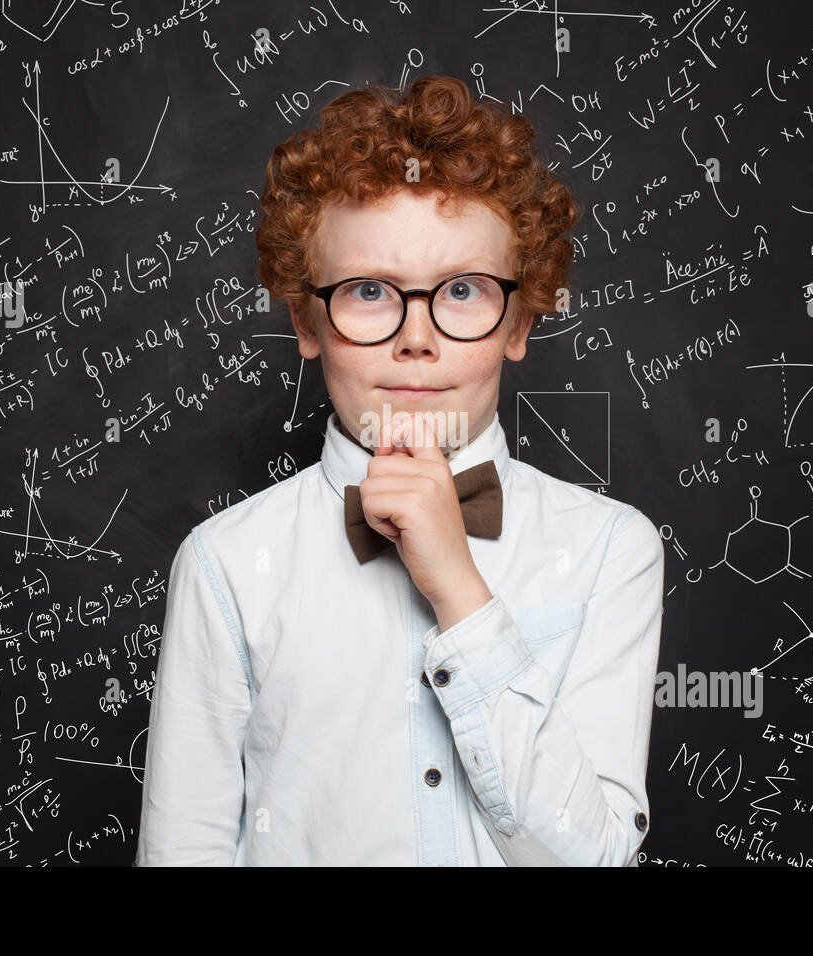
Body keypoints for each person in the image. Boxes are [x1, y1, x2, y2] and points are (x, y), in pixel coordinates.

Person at [135, 75, 664, 866]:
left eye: (461, 290)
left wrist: (461, 590)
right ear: (307, 321)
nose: (417, 338)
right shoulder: (226, 565)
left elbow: (587, 858)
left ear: (518, 322)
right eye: (371, 291)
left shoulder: (611, 552)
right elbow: (185, 851)